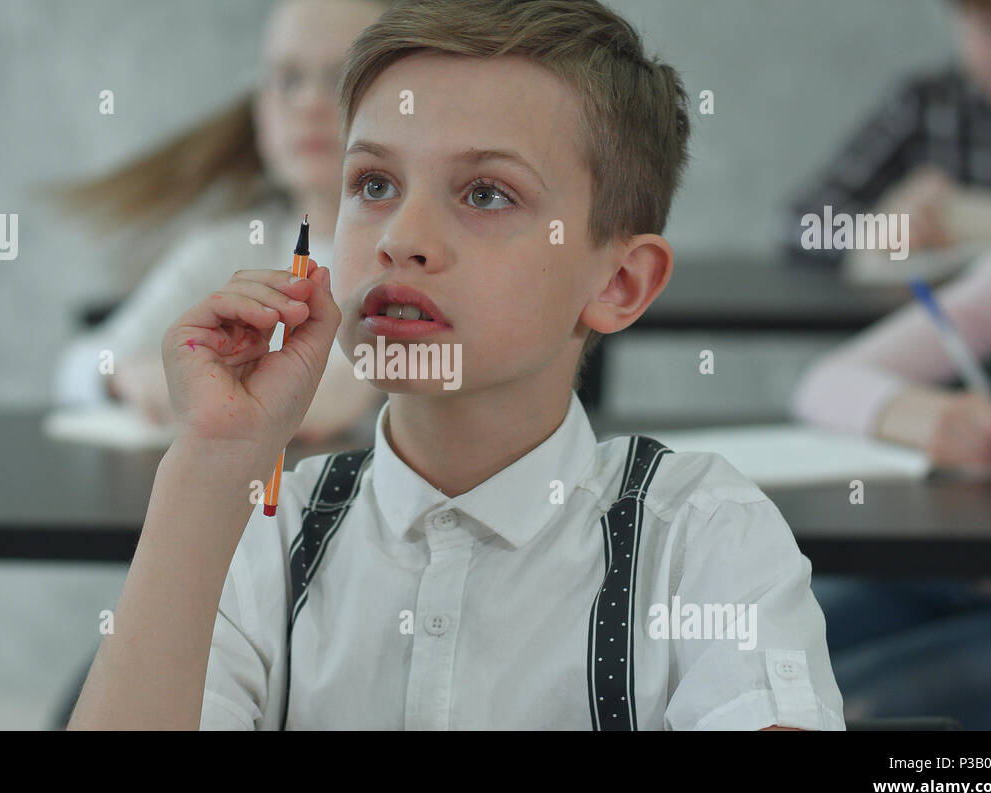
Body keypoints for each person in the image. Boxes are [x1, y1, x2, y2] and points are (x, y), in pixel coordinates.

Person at [67, 0, 844, 731]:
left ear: (618, 283)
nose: (401, 236)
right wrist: (210, 459)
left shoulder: (703, 538)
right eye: (374, 184)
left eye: (486, 193)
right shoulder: (260, 531)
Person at [51, 0, 387, 444]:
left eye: (342, 79)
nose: (309, 103)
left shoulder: (418, 257)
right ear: (259, 107)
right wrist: (131, 376)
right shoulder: (228, 251)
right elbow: (79, 367)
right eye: (288, 79)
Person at [791, 219, 991, 729]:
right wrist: (928, 417)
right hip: (960, 567)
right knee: (736, 654)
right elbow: (825, 383)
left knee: (845, 710)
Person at [781, 0, 991, 271]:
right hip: (930, 308)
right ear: (958, 20)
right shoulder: (922, 106)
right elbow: (800, 225)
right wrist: (876, 231)